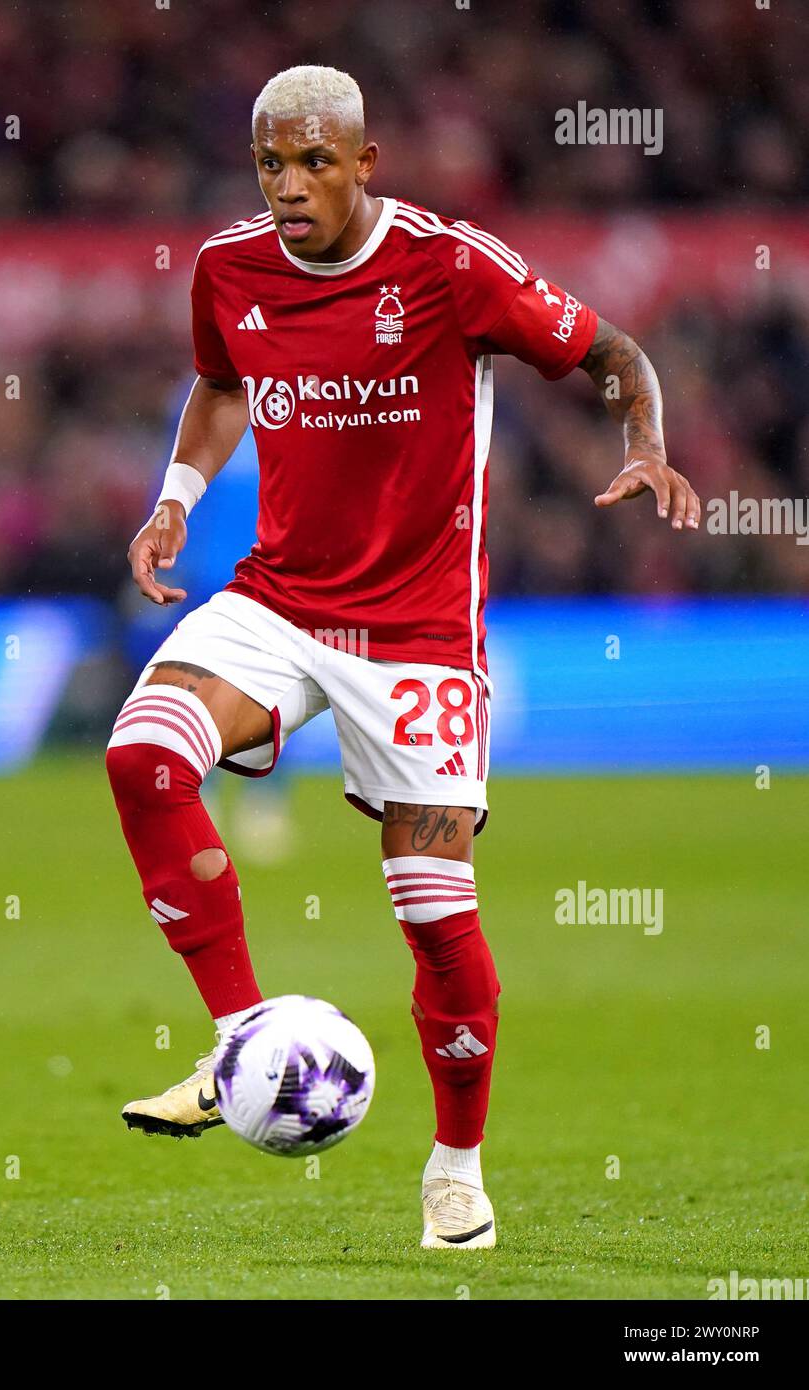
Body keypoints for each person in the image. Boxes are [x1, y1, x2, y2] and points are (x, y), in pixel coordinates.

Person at [106, 65, 700, 1250]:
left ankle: (457, 1169)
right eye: (270, 163)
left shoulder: (450, 266)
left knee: (432, 910)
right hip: (280, 597)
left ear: (364, 164)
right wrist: (176, 497)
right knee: (142, 755)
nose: (288, 186)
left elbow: (613, 349)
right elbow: (221, 382)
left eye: (314, 162)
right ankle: (241, 1038)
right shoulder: (231, 269)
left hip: (421, 627)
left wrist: (647, 444)